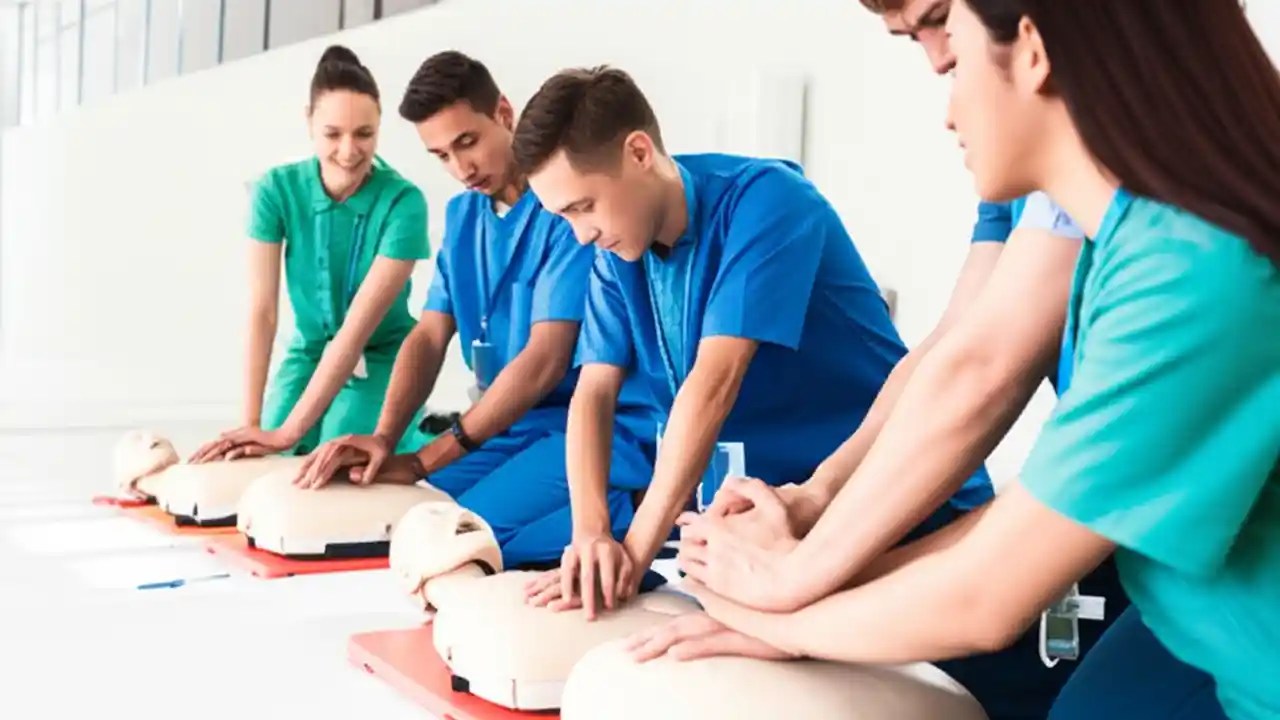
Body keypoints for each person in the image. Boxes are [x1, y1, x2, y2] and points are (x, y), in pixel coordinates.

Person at [635, 1, 1280, 718]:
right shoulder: (1127, 237)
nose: (943, 85)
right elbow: (980, 372)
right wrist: (807, 572)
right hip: (1194, 604)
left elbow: (986, 594)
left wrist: (773, 605)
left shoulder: (1191, 271)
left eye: (953, 37)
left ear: (1030, 46)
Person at [513, 65, 994, 619]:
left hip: (887, 501)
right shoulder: (617, 255)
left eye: (583, 206)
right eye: (564, 216)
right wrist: (592, 533)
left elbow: (714, 383)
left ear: (639, 152)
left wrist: (631, 561)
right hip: (769, 529)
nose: (582, 233)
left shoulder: (767, 203)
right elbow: (593, 393)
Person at [293, 51, 659, 569]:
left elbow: (544, 361)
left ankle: (647, 505)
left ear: (504, 115)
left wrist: (428, 455)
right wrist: (384, 439)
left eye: (468, 142)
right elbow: (428, 336)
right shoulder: (463, 216)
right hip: (512, 427)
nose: (461, 167)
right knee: (414, 515)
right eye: (440, 154)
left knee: (469, 534)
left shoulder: (566, 207)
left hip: (596, 428)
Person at [190, 46, 431, 464]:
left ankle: (422, 428)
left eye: (364, 134)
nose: (349, 150)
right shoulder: (274, 190)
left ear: (379, 128)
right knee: (269, 457)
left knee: (333, 451)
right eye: (333, 133)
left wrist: (287, 433)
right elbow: (263, 312)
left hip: (382, 353)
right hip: (310, 352)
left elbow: (354, 334)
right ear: (309, 123)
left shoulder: (404, 202)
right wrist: (255, 427)